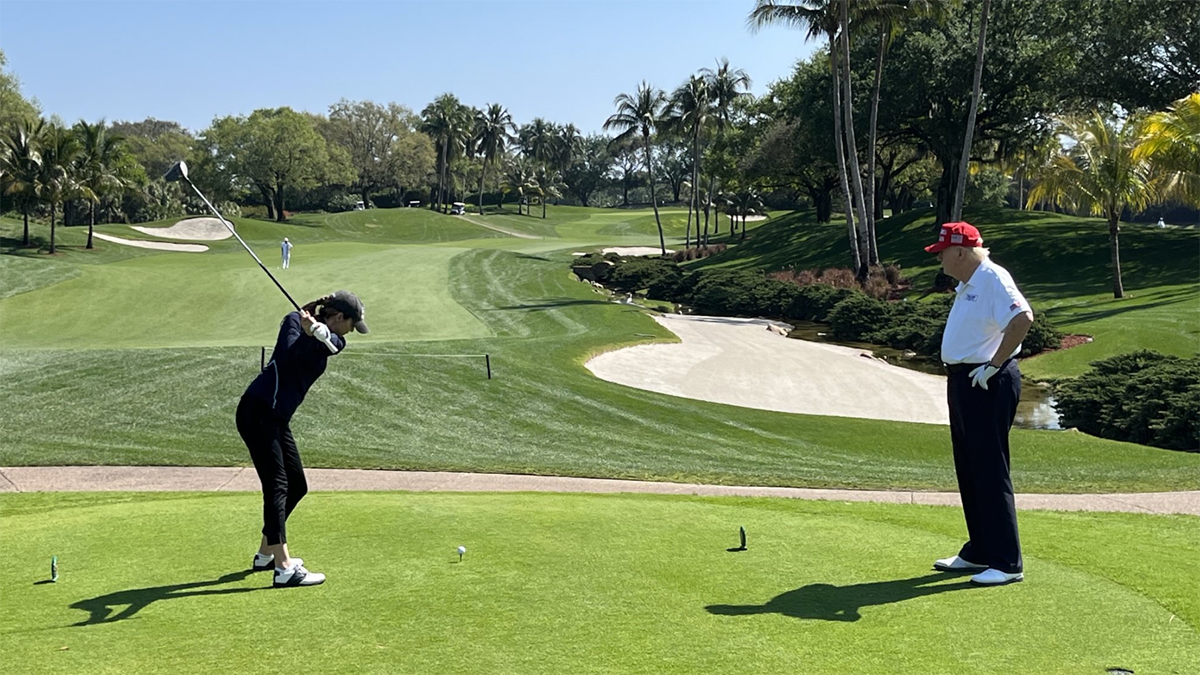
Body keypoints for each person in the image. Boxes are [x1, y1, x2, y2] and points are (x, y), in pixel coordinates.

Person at [925, 222, 1033, 587]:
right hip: (964, 381)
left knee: (989, 469)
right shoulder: (969, 284)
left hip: (986, 382)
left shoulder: (992, 278)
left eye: (942, 252)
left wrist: (995, 364)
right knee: (969, 468)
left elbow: (1022, 319)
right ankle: (981, 550)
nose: (939, 258)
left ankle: (1006, 561)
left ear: (960, 252)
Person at [237, 291, 368, 588]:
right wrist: (311, 333)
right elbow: (287, 356)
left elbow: (335, 345)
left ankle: (266, 553)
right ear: (338, 317)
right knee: (277, 484)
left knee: (297, 485)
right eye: (351, 324)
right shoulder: (294, 321)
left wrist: (320, 334)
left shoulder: (333, 339)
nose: (351, 331)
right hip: (258, 410)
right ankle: (283, 568)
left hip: (276, 417)